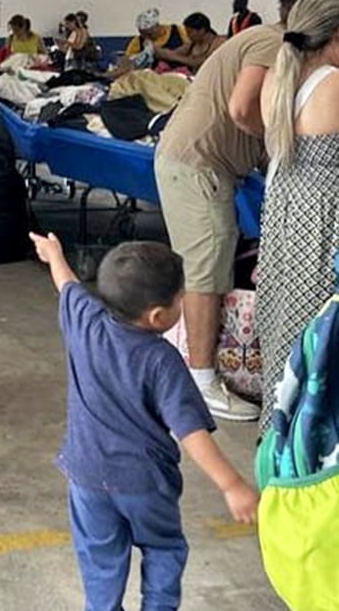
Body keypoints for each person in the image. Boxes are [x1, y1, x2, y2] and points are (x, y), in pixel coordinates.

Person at [30, 233, 258, 611]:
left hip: (86, 476)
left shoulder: (85, 321)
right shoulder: (163, 361)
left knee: (100, 559)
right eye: (180, 299)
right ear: (157, 316)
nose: (183, 303)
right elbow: (190, 432)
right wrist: (232, 485)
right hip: (145, 484)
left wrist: (55, 253)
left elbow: (67, 284)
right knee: (164, 547)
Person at [155, 24, 282, 420]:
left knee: (205, 268)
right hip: (199, 168)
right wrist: (281, 142)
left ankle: (194, 367)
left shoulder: (265, 43)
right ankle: (203, 382)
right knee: (205, 274)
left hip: (195, 165)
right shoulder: (272, 43)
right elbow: (243, 110)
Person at [256, 0, 339, 432]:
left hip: (287, 215)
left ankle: (280, 434)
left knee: (287, 328)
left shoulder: (276, 78)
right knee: (322, 335)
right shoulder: (333, 83)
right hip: (325, 220)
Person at [153, 13, 225, 74]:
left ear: (201, 30)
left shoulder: (219, 42)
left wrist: (175, 57)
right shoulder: (192, 43)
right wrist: (157, 50)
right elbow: (174, 53)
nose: (187, 35)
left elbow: (201, 62)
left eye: (190, 32)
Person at [122, 9, 188, 71]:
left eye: (149, 34)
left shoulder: (178, 31)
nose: (146, 37)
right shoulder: (137, 41)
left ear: (157, 26)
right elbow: (126, 61)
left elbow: (191, 48)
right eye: (142, 34)